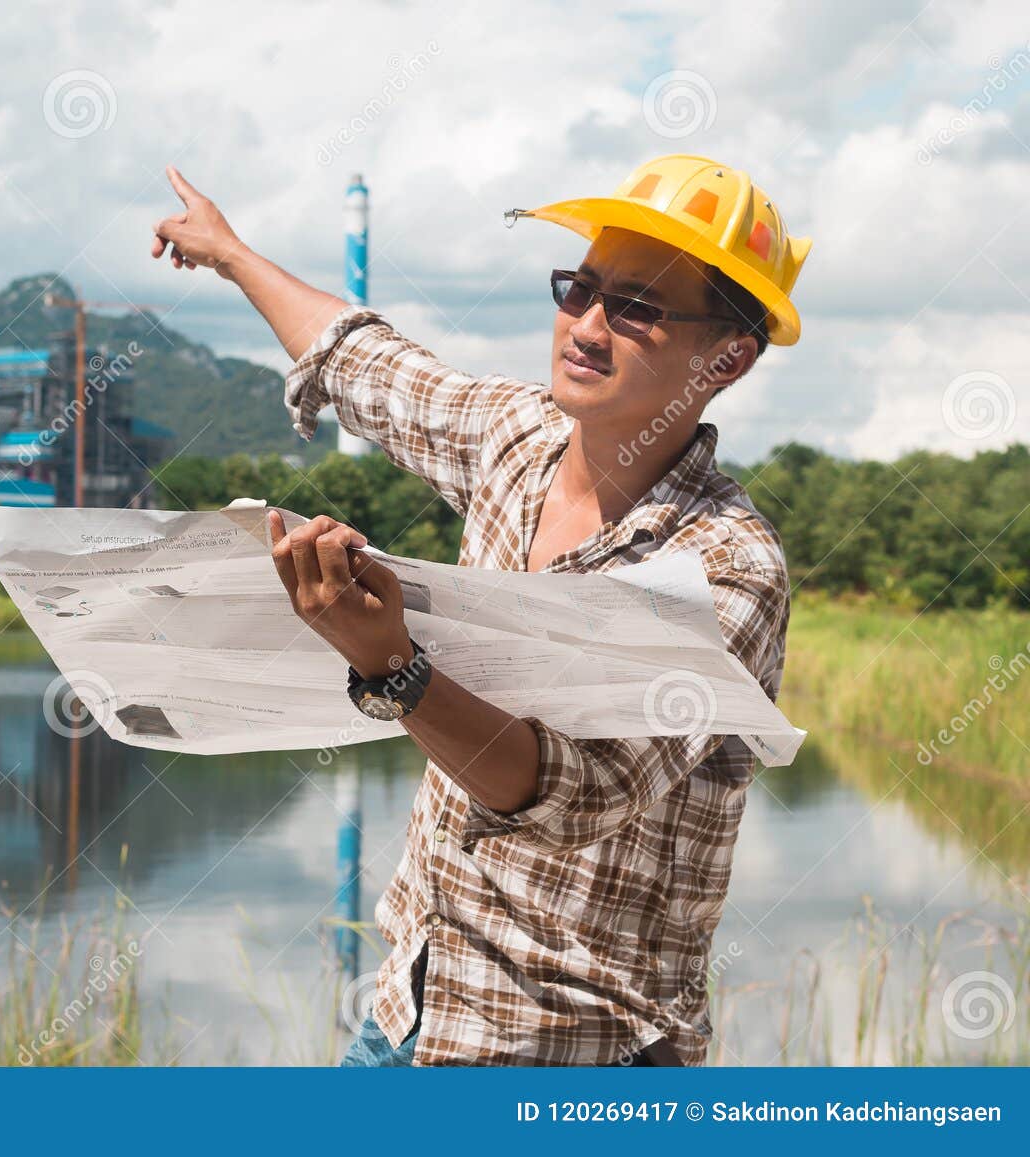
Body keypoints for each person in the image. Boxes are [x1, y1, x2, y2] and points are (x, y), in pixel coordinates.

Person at [150, 154, 812, 1067]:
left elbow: (580, 794)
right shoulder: (518, 444)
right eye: (579, 288)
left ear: (729, 356)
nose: (586, 325)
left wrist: (397, 671)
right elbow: (366, 364)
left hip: (578, 1053)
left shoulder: (725, 565)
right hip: (412, 1013)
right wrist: (229, 252)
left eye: (638, 307)